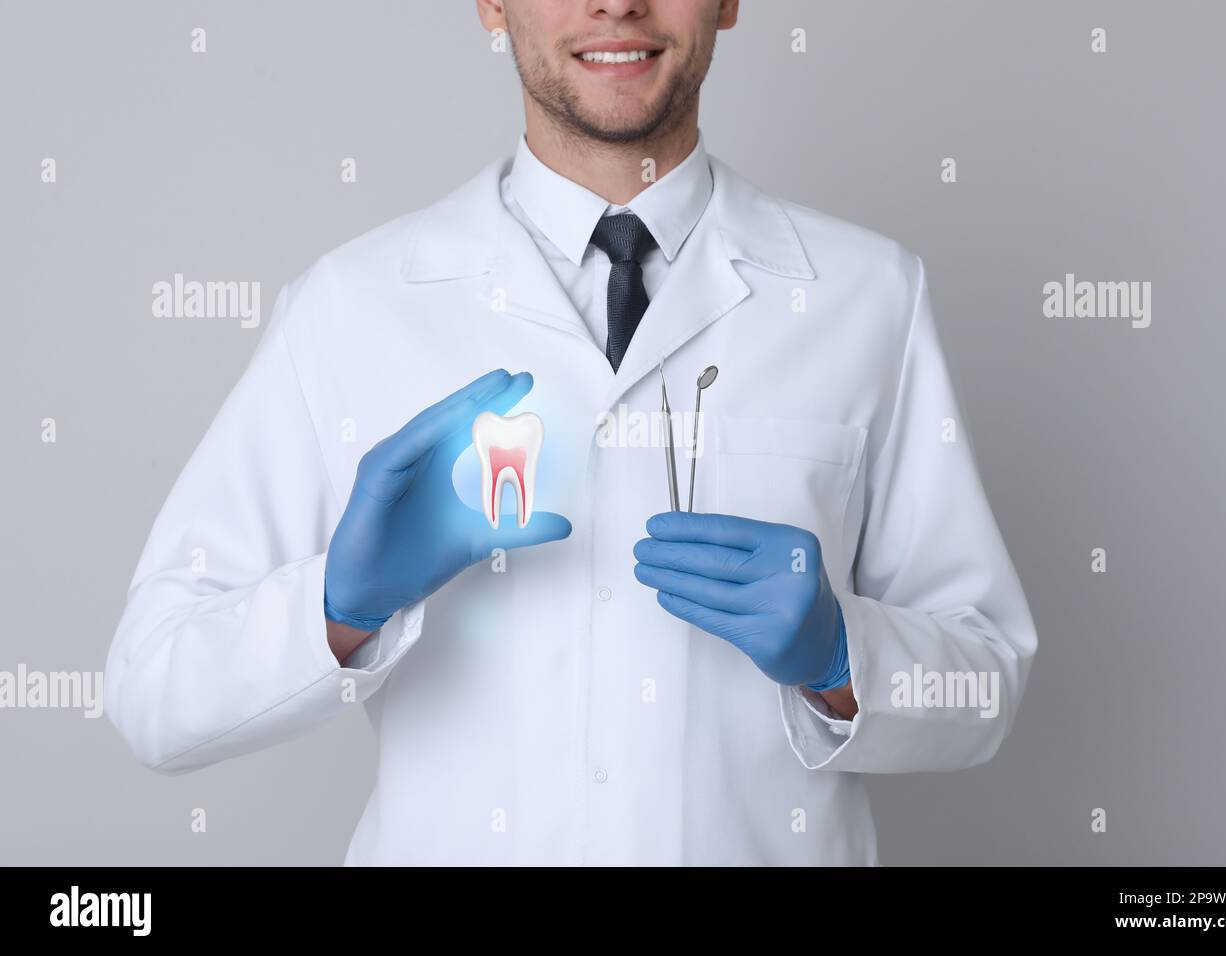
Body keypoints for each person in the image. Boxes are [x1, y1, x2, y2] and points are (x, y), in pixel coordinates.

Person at [106, 0, 1037, 866]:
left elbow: (985, 680)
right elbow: (154, 691)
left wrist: (845, 660)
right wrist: (339, 606)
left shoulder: (867, 296)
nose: (616, 3)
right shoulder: (353, 306)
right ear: (491, 1)